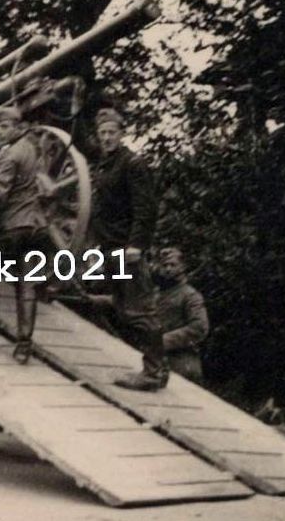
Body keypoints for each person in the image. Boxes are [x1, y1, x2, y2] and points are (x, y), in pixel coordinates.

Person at [89, 107, 167, 391]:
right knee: (123, 309)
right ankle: (155, 368)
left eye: (112, 132)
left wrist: (136, 245)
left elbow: (146, 209)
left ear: (122, 134)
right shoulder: (104, 164)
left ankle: (154, 373)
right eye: (103, 133)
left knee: (140, 310)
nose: (107, 137)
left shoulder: (132, 164)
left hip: (126, 249)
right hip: (110, 247)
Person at [0, 106, 46, 364]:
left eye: (4, 127)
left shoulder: (9, 155)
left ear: (17, 127)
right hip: (32, 226)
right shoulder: (30, 149)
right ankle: (23, 347)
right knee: (26, 284)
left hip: (9, 226)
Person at [154, 247, 209, 383]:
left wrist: (163, 341)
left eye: (173, 265)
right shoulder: (157, 293)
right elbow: (131, 304)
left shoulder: (190, 295)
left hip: (181, 361)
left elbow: (199, 327)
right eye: (164, 265)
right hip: (157, 358)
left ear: (183, 267)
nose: (168, 269)